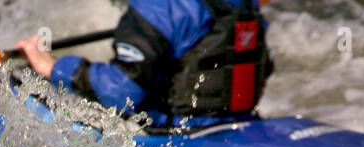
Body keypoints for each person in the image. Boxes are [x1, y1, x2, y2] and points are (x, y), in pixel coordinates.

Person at [15, 0, 274, 131]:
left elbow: (120, 92)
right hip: (241, 124)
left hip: (178, 133)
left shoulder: (157, 7)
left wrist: (50, 67)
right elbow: (265, 66)